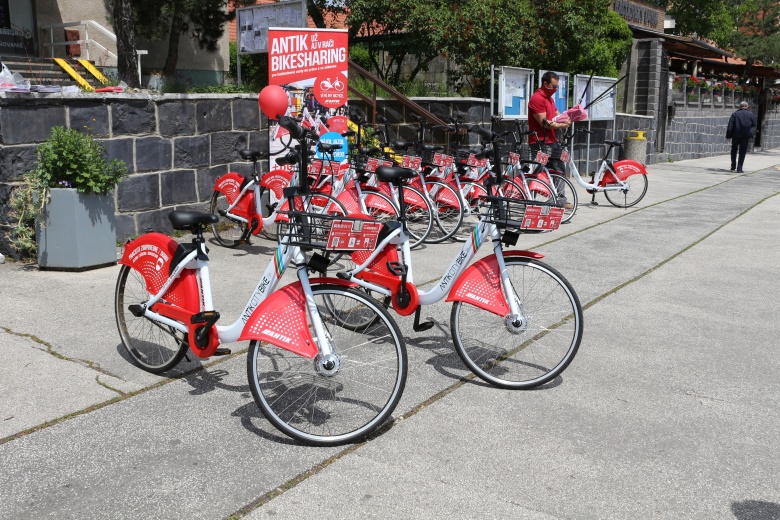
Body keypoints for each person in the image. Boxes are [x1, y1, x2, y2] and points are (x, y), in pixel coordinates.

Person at [528, 71, 572, 208]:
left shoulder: (549, 99)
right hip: (540, 142)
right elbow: (544, 123)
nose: (555, 90)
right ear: (545, 83)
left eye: (557, 87)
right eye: (553, 86)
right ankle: (530, 200)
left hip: (552, 141)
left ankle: (560, 199)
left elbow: (558, 115)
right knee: (539, 171)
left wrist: (569, 116)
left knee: (559, 168)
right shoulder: (537, 99)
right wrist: (562, 125)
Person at [726, 101, 757, 173]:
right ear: (747, 107)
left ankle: (733, 165)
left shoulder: (735, 114)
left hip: (735, 135)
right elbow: (754, 124)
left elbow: (730, 126)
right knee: (742, 151)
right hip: (745, 135)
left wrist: (728, 135)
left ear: (739, 107)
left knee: (734, 149)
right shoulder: (750, 114)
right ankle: (739, 168)